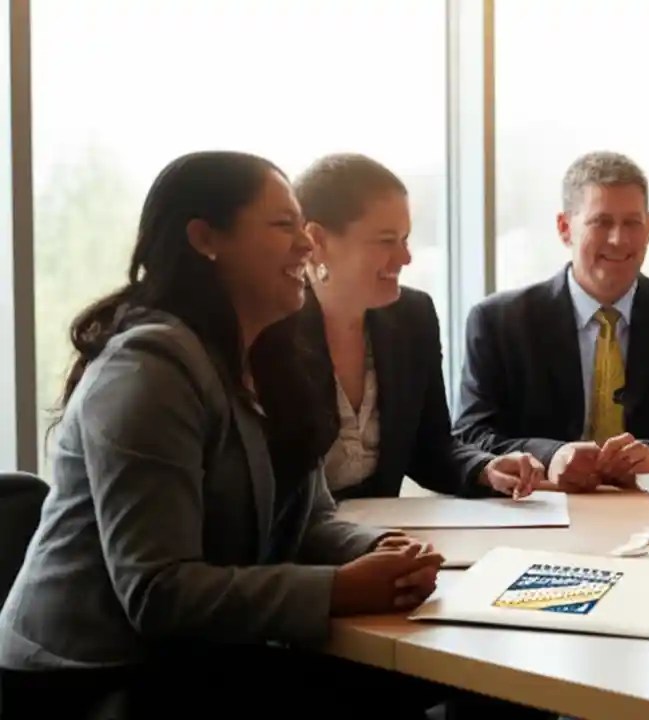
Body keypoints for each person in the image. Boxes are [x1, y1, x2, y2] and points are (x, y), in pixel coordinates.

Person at [0, 152, 445, 719]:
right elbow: (157, 591)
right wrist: (340, 589)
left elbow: (309, 518)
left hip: (199, 659)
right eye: (284, 226)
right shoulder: (149, 367)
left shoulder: (270, 352)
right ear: (205, 238)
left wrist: (380, 552)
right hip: (91, 680)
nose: (306, 245)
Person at [453, 151, 649, 492]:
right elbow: (470, 433)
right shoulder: (498, 322)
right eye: (602, 222)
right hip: (538, 507)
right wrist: (552, 456)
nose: (618, 239)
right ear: (565, 229)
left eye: (632, 223)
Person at [288, 153, 542, 501]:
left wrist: (485, 468)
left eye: (405, 239)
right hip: (297, 547)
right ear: (317, 240)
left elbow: (431, 447)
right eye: (386, 241)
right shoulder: (272, 327)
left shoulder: (412, 316)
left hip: (389, 538)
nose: (406, 258)